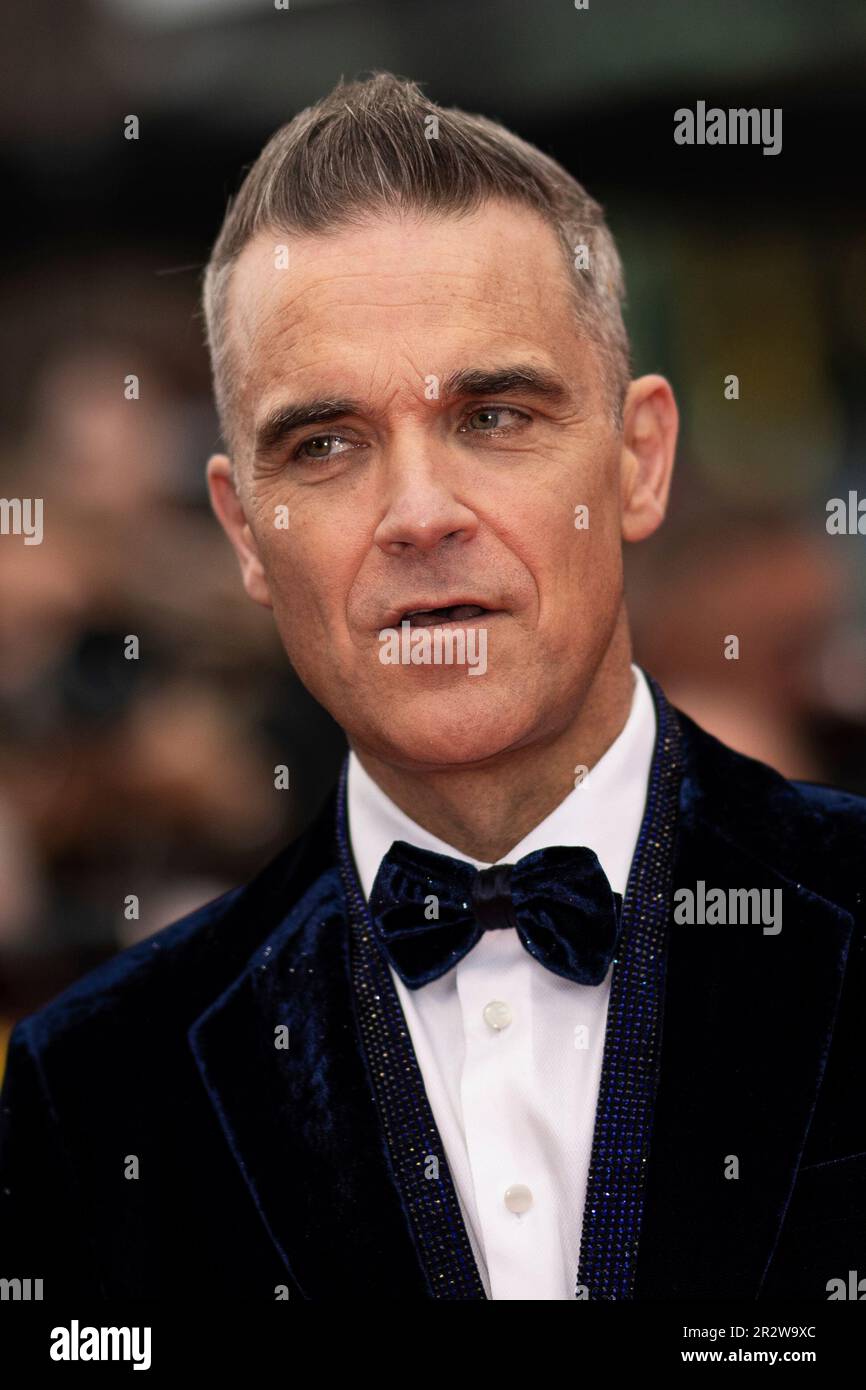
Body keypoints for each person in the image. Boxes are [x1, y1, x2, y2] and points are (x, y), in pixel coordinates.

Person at [1, 72, 863, 1303]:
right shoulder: (93, 1088)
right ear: (244, 531)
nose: (416, 514)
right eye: (326, 444)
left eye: (495, 415)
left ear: (636, 460)